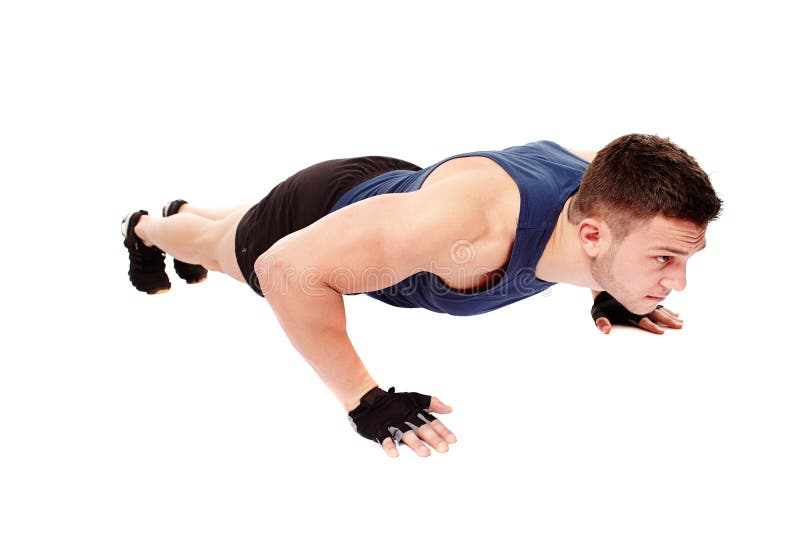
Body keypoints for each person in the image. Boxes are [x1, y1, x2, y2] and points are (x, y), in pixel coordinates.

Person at [120, 134, 722, 458]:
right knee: (222, 249)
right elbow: (285, 269)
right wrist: (365, 399)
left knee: (230, 227)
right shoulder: (468, 232)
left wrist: (614, 283)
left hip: (387, 196)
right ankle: (149, 226)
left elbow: (622, 172)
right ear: (591, 235)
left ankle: (192, 214)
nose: (679, 281)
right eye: (665, 260)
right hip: (311, 223)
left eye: (683, 258)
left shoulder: (607, 187)